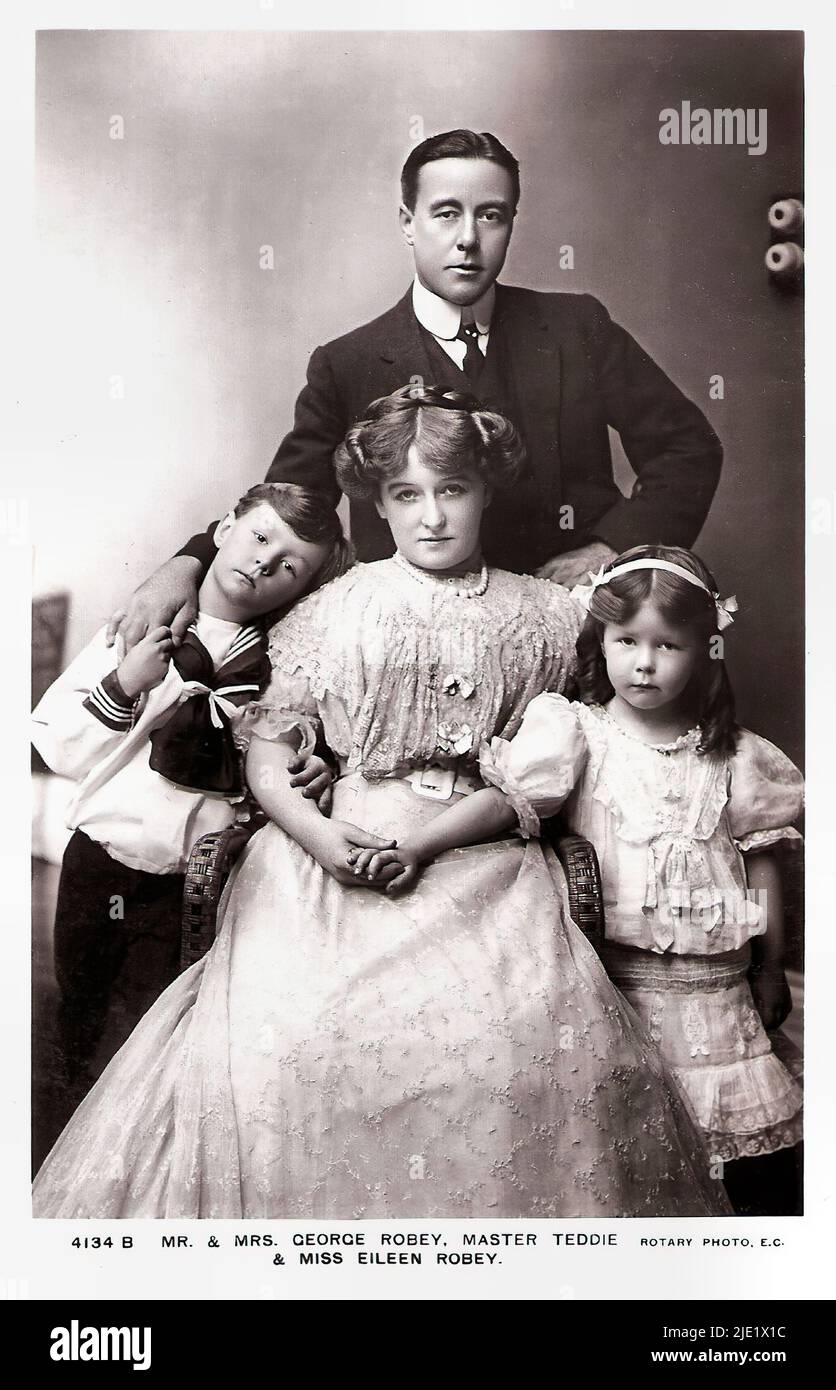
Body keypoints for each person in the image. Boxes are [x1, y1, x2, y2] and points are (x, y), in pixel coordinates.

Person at [33, 388, 730, 1219]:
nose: (431, 516)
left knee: (514, 1044)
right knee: (291, 1041)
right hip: (326, 849)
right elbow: (269, 747)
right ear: (378, 502)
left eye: (452, 490)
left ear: (485, 490)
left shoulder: (550, 614)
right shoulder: (332, 607)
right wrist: (320, 837)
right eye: (405, 495)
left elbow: (618, 708)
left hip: (486, 855)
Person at [108, 128, 723, 650]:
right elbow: (293, 504)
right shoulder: (345, 364)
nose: (468, 239)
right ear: (408, 222)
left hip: (571, 632)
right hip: (412, 644)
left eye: (491, 214)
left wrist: (609, 550)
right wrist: (187, 561)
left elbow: (687, 450)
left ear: (511, 222)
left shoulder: (574, 328)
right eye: (446, 212)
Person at [479, 544, 803, 1215]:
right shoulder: (575, 734)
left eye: (669, 646)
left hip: (714, 990)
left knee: (733, 1158)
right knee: (623, 1152)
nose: (645, 663)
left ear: (707, 649)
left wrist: (770, 966)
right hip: (611, 988)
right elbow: (513, 823)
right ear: (601, 642)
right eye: (627, 641)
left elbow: (762, 866)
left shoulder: (739, 757)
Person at [31, 482, 354, 1106]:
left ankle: (130, 1142)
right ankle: (59, 1137)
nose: (263, 563)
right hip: (104, 855)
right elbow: (57, 747)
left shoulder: (281, 667)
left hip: (196, 874)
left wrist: (314, 769)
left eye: (290, 566)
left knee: (153, 1022)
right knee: (79, 1003)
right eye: (260, 537)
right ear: (226, 525)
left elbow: (296, 750)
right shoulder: (143, 625)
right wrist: (124, 684)